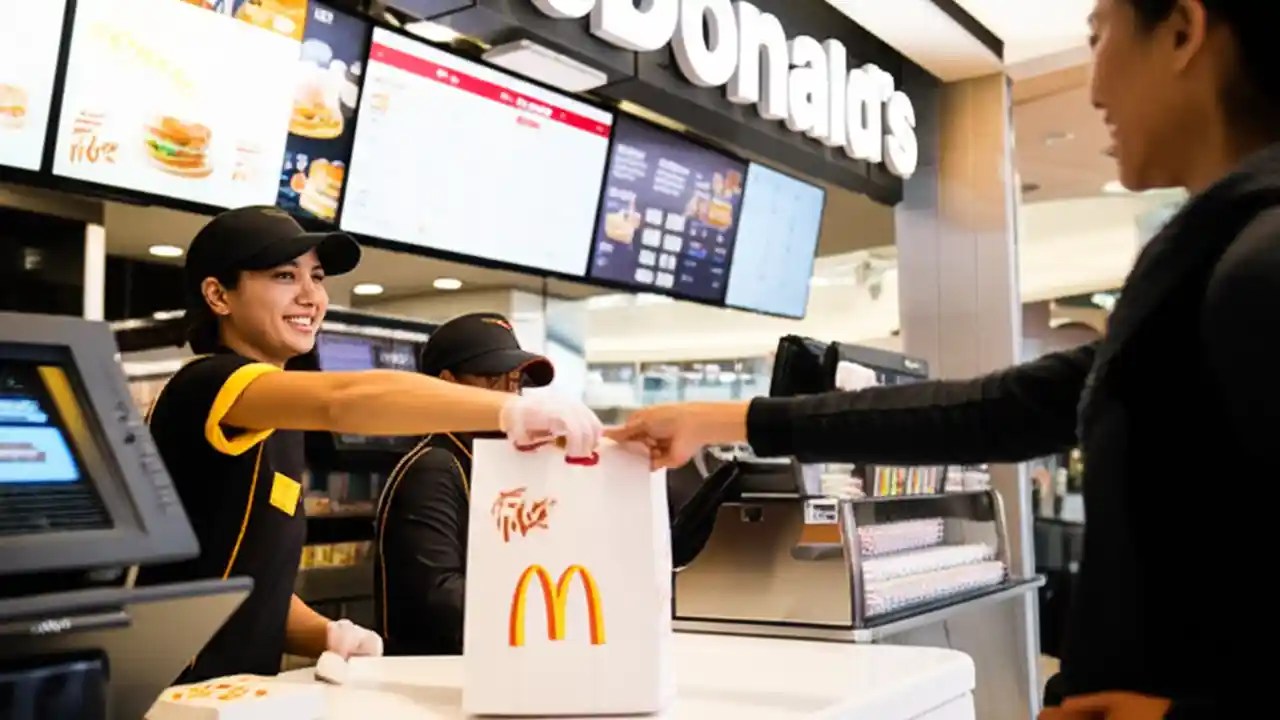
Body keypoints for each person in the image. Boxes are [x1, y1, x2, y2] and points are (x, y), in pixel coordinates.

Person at [609, 1, 1280, 717]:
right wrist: (723, 418)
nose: (1094, 90)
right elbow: (997, 410)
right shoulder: (1206, 264)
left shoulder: (1257, 261)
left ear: (1182, 31)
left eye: (1099, 38)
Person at [137, 206, 602, 683]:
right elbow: (345, 400)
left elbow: (243, 582)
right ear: (218, 295)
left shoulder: (277, 417)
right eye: (283, 276)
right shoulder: (210, 384)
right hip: (169, 693)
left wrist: (326, 633)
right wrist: (512, 412)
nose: (310, 296)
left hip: (234, 697)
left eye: (316, 278)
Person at [374, 312, 554, 656]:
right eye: (491, 379)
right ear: (447, 382)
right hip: (432, 677)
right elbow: (440, 597)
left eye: (515, 382)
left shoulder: (491, 462)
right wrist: (544, 611)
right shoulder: (435, 465)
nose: (507, 395)